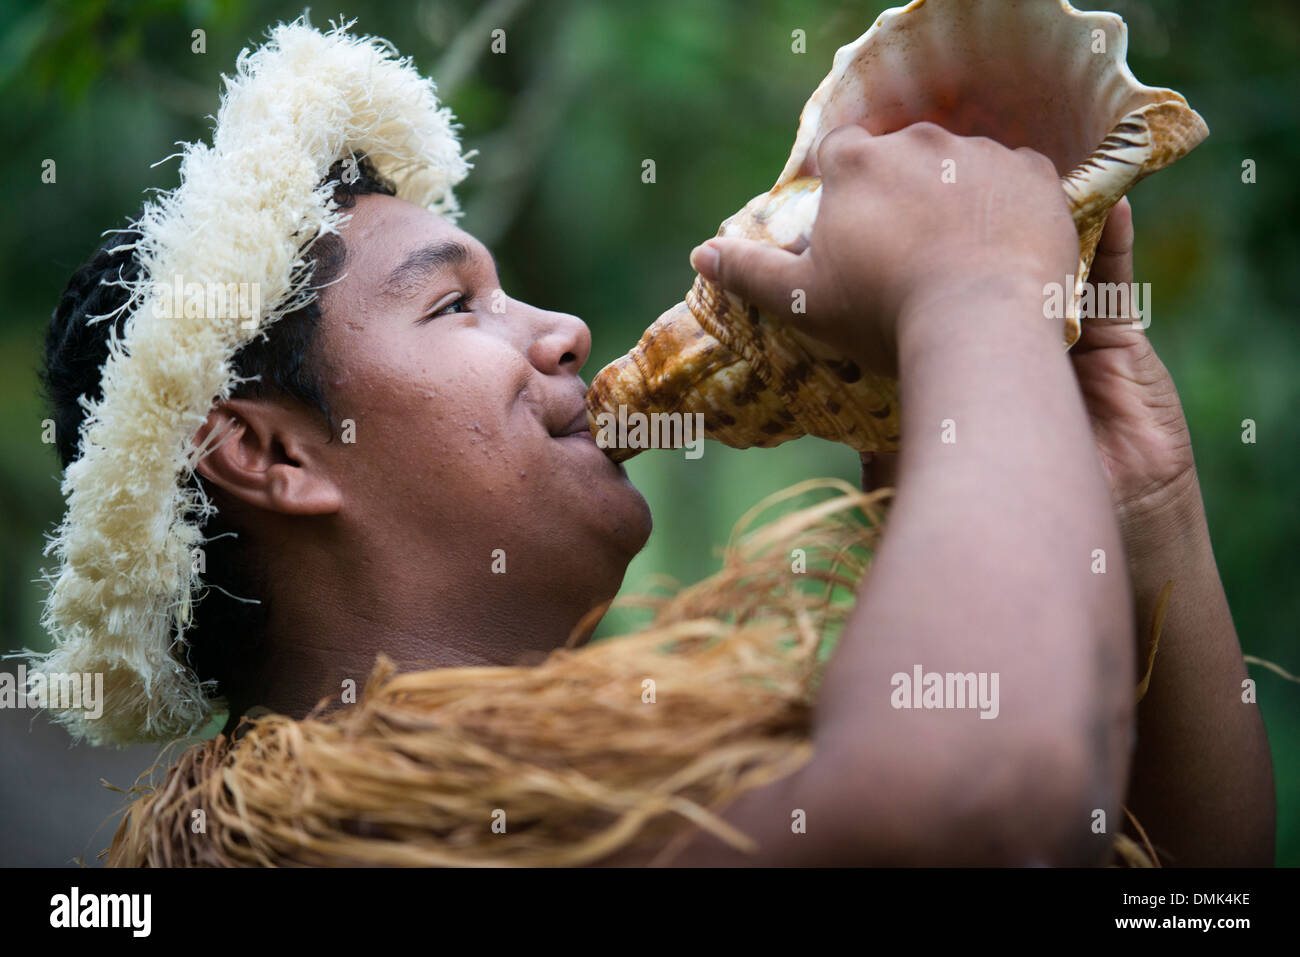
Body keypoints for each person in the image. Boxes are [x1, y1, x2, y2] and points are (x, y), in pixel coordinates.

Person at [32, 20, 1272, 867]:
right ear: (270, 454)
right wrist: (973, 300)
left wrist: (1141, 507)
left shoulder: (580, 789)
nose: (565, 331)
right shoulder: (357, 844)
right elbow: (974, 805)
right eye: (455, 304)